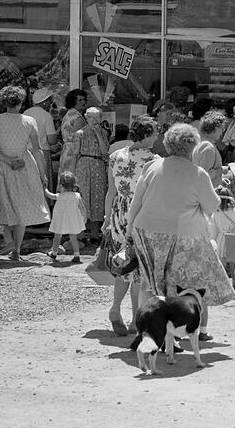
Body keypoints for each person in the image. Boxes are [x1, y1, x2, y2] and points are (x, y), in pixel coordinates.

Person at [126, 123, 235, 350]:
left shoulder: (151, 166)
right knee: (177, 288)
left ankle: (146, 333)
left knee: (149, 284)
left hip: (145, 230)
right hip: (180, 235)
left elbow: (136, 203)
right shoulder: (198, 174)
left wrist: (129, 233)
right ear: (192, 146)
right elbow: (212, 206)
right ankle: (171, 336)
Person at [104, 116, 159, 334]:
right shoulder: (154, 160)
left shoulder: (116, 155)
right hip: (142, 213)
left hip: (119, 211)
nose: (157, 137)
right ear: (146, 134)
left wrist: (107, 218)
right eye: (154, 133)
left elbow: (111, 190)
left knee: (123, 264)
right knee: (138, 268)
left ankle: (116, 309)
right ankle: (136, 318)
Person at [0, 85, 50, 260]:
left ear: (3, 101)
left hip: (2, 165)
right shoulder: (29, 121)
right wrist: (42, 174)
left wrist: (6, 159)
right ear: (20, 102)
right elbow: (37, 150)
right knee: (20, 208)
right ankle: (17, 251)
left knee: (2, 202)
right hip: (25, 165)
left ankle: (8, 238)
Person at [65, 106, 110, 244]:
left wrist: (97, 134)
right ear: (87, 118)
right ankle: (81, 235)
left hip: (98, 165)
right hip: (84, 165)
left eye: (98, 118)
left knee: (97, 197)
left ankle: (95, 234)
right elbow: (74, 154)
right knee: (83, 198)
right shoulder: (80, 133)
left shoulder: (103, 132)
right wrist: (71, 174)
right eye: (92, 118)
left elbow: (104, 151)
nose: (95, 121)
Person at [47, 171, 86, 261]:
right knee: (73, 237)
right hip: (72, 220)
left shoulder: (59, 196)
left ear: (61, 185)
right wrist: (84, 217)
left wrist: (44, 189)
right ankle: (76, 255)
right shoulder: (77, 195)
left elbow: (50, 195)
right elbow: (82, 208)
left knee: (57, 236)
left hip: (61, 220)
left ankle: (54, 253)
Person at [192, 111, 228, 191]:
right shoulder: (208, 147)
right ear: (215, 128)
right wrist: (221, 170)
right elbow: (205, 174)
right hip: (207, 193)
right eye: (222, 129)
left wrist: (220, 179)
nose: (222, 132)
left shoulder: (203, 143)